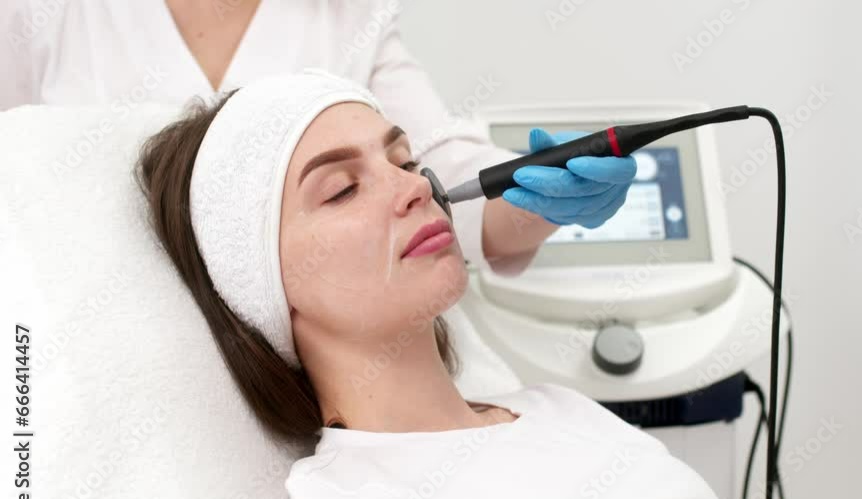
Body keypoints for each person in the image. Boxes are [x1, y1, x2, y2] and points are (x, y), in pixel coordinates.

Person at [135, 69, 747, 499]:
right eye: (342, 189)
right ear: (261, 282)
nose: (418, 188)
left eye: (403, 162)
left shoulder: (556, 409)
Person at [1, 0, 637, 277]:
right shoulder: (44, 16)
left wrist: (540, 198)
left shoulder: (348, 15)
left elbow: (438, 168)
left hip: (311, 375)